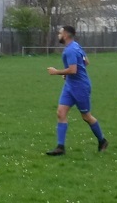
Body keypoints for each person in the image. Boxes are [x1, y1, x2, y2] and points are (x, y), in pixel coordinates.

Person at [45, 25, 108, 156]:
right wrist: (67, 73)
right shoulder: (75, 46)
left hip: (81, 87)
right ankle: (60, 147)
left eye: (60, 33)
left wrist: (57, 72)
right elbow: (86, 62)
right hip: (69, 86)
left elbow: (73, 70)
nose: (58, 35)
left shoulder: (71, 50)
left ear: (66, 35)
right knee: (61, 113)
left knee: (86, 117)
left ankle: (102, 140)